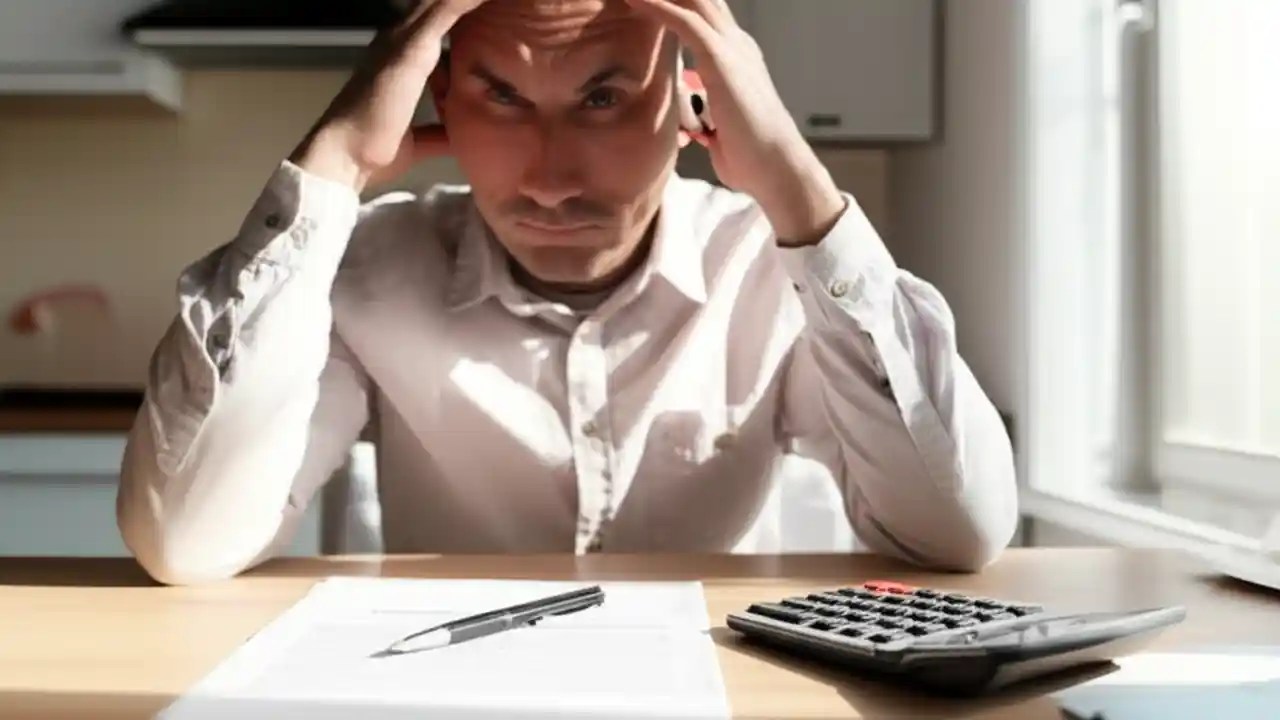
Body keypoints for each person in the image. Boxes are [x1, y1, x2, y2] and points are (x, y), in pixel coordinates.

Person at [117, 0, 1017, 585]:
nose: (549, 181)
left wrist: (798, 187)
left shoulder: (768, 269)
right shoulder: (367, 272)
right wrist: (333, 167)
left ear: (694, 99)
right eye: (501, 97)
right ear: (432, 99)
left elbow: (956, 533)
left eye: (602, 100)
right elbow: (186, 544)